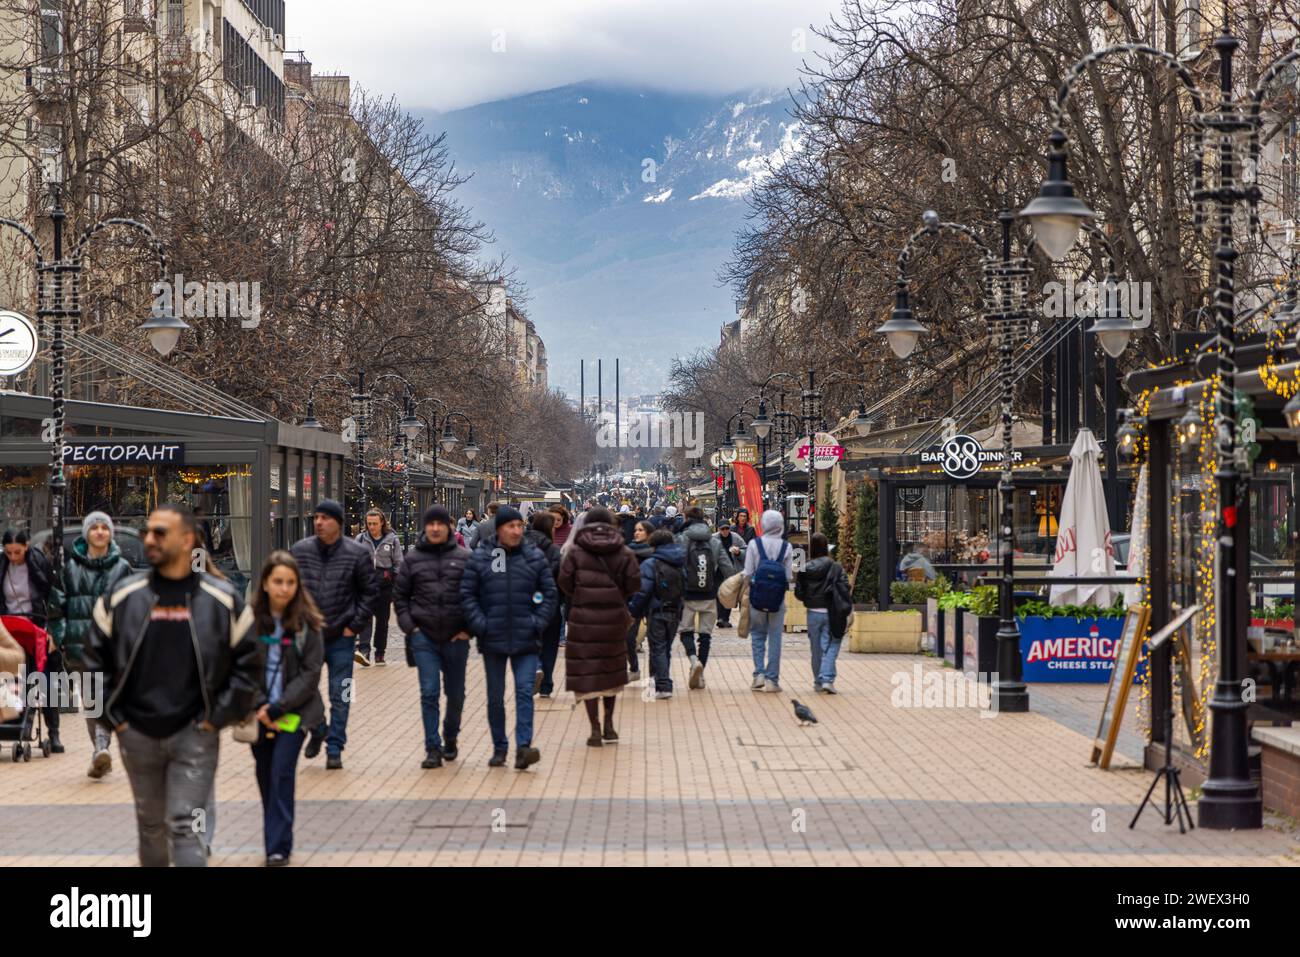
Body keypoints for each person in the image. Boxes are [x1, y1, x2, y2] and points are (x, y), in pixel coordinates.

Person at [83, 504, 259, 867]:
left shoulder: (222, 600)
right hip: (136, 733)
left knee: (182, 825)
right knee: (150, 826)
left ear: (187, 540)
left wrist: (217, 718)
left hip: (195, 732)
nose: (149, 539)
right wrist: (116, 720)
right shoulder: (123, 598)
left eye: (160, 532)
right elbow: (92, 664)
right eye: (148, 531)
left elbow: (250, 665)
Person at [460, 505, 557, 770]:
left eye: (519, 526)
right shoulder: (483, 556)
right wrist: (482, 624)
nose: (516, 530)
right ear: (499, 528)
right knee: (495, 696)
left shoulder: (533, 556)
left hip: (526, 637)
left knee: (524, 692)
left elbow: (548, 593)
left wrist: (537, 621)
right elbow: (468, 594)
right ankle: (499, 747)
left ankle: (523, 747)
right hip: (493, 638)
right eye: (510, 526)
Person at [248, 550, 325, 866]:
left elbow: (310, 673)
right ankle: (274, 837)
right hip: (258, 714)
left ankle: (278, 847)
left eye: (290, 582)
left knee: (281, 773)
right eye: (277, 581)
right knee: (265, 777)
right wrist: (260, 707)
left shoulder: (308, 623)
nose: (283, 588)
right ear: (265, 583)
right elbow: (241, 667)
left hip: (294, 713)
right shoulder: (249, 622)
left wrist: (278, 708)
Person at [290, 499, 378, 770]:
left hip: (342, 635)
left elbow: (369, 592)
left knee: (341, 693)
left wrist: (354, 624)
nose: (318, 522)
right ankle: (318, 729)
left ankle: (335, 746)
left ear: (338, 523)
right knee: (305, 690)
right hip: (308, 635)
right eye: (316, 517)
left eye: (325, 518)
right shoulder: (300, 551)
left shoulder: (357, 553)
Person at [47, 511, 132, 776]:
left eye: (103, 528)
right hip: (82, 647)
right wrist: (61, 638)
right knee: (93, 702)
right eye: (94, 528)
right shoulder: (70, 569)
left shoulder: (122, 568)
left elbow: (133, 608)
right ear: (86, 533)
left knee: (106, 699)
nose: (99, 532)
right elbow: (55, 607)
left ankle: (101, 749)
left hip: (114, 647)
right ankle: (100, 749)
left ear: (110, 533)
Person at [394, 506, 471, 768]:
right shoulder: (412, 559)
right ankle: (432, 747)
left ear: (449, 526)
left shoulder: (464, 558)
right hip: (424, 636)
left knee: (456, 694)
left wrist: (468, 629)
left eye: (440, 523)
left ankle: (450, 735)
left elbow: (475, 596)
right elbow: (400, 596)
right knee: (429, 692)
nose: (436, 528)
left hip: (456, 637)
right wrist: (411, 628)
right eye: (431, 524)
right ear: (425, 527)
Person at [558, 506, 640, 745]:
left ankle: (594, 727)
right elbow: (635, 582)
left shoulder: (575, 551)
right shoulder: (623, 551)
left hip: (583, 619)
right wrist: (619, 595)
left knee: (588, 672)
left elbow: (564, 581)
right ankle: (609, 723)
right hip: (614, 619)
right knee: (611, 671)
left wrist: (581, 595)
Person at [2, 529, 58, 750]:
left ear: (27, 546)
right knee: (11, 676)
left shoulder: (38, 563)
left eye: (17, 552)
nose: (13, 557)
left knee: (44, 678)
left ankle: (53, 732)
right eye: (8, 553)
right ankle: (15, 723)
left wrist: (52, 630)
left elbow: (52, 596)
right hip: (8, 627)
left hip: (36, 626)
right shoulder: (2, 565)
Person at [673, 506, 735, 690]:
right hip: (709, 593)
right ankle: (700, 674)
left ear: (687, 518)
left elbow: (673, 563)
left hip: (687, 594)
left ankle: (693, 661)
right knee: (705, 635)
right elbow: (728, 568)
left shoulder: (682, 539)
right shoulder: (714, 541)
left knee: (685, 630)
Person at [629, 528, 685, 699]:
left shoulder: (650, 563)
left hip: (657, 610)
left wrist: (633, 611)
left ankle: (663, 685)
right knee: (665, 648)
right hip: (675, 610)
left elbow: (642, 591)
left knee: (658, 648)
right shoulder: (679, 561)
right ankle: (658, 681)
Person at [795, 532, 852, 694]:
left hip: (813, 612)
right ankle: (827, 678)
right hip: (831, 611)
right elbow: (845, 587)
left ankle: (818, 681)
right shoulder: (835, 566)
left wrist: (809, 596)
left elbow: (799, 593)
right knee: (833, 642)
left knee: (816, 649)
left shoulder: (805, 567)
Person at [743, 509, 793, 693]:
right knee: (775, 638)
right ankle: (772, 680)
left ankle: (759, 675)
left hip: (757, 596)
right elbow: (787, 576)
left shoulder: (754, 545)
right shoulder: (786, 547)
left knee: (757, 635)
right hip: (777, 598)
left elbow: (747, 573)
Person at [355, 508, 402, 666]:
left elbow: (398, 563)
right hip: (365, 583)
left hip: (384, 585)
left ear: (382, 522)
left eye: (375, 523)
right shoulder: (361, 538)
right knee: (365, 618)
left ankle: (380, 653)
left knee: (382, 621)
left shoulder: (392, 539)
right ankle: (364, 650)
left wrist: (395, 581)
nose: (372, 527)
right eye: (369, 524)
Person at [526, 511, 564, 698]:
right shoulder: (554, 551)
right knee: (550, 645)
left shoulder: (520, 546)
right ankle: (546, 684)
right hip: (550, 604)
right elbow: (561, 580)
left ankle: (535, 669)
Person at [625, 520, 655, 679]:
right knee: (629, 639)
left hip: (652, 600)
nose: (636, 533)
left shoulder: (656, 551)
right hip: (633, 600)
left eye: (641, 530)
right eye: (635, 530)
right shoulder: (627, 551)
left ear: (649, 533)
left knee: (654, 641)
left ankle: (654, 675)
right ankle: (634, 668)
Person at [714, 519, 746, 628]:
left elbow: (745, 550)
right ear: (719, 529)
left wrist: (738, 552)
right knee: (719, 594)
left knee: (730, 594)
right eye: (722, 529)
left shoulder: (736, 538)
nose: (725, 531)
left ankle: (725, 618)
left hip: (732, 570)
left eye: (727, 528)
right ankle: (720, 618)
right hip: (718, 571)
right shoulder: (714, 538)